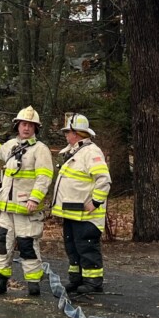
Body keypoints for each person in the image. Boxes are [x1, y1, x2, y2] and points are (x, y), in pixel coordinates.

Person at [0, 106, 54, 297]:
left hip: (26, 209)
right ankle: (0, 281)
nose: (27, 128)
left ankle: (33, 283)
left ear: (35, 128)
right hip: (6, 209)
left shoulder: (40, 150)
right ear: (18, 126)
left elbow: (44, 177)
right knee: (2, 244)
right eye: (24, 124)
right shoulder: (11, 146)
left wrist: (35, 198)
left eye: (31, 125)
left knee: (27, 245)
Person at [53, 113, 109, 295]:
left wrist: (95, 202)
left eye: (67, 132)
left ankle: (93, 282)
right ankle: (76, 279)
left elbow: (103, 179)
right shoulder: (74, 152)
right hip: (72, 213)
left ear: (76, 133)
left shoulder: (91, 152)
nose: (65, 136)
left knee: (87, 248)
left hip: (87, 215)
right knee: (73, 248)